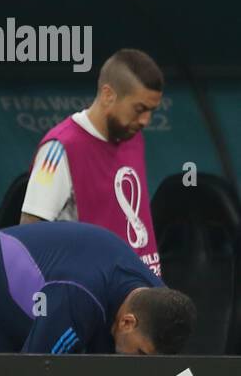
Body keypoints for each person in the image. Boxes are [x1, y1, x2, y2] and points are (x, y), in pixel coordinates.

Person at [0, 221, 195, 354]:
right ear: (128, 322)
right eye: (140, 355)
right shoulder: (78, 300)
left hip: (51, 299)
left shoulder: (158, 301)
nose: (144, 369)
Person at [20, 49, 163, 275]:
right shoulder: (59, 149)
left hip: (142, 291)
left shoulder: (133, 137)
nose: (146, 120)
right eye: (140, 109)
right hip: (92, 298)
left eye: (151, 111)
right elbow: (28, 235)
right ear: (108, 95)